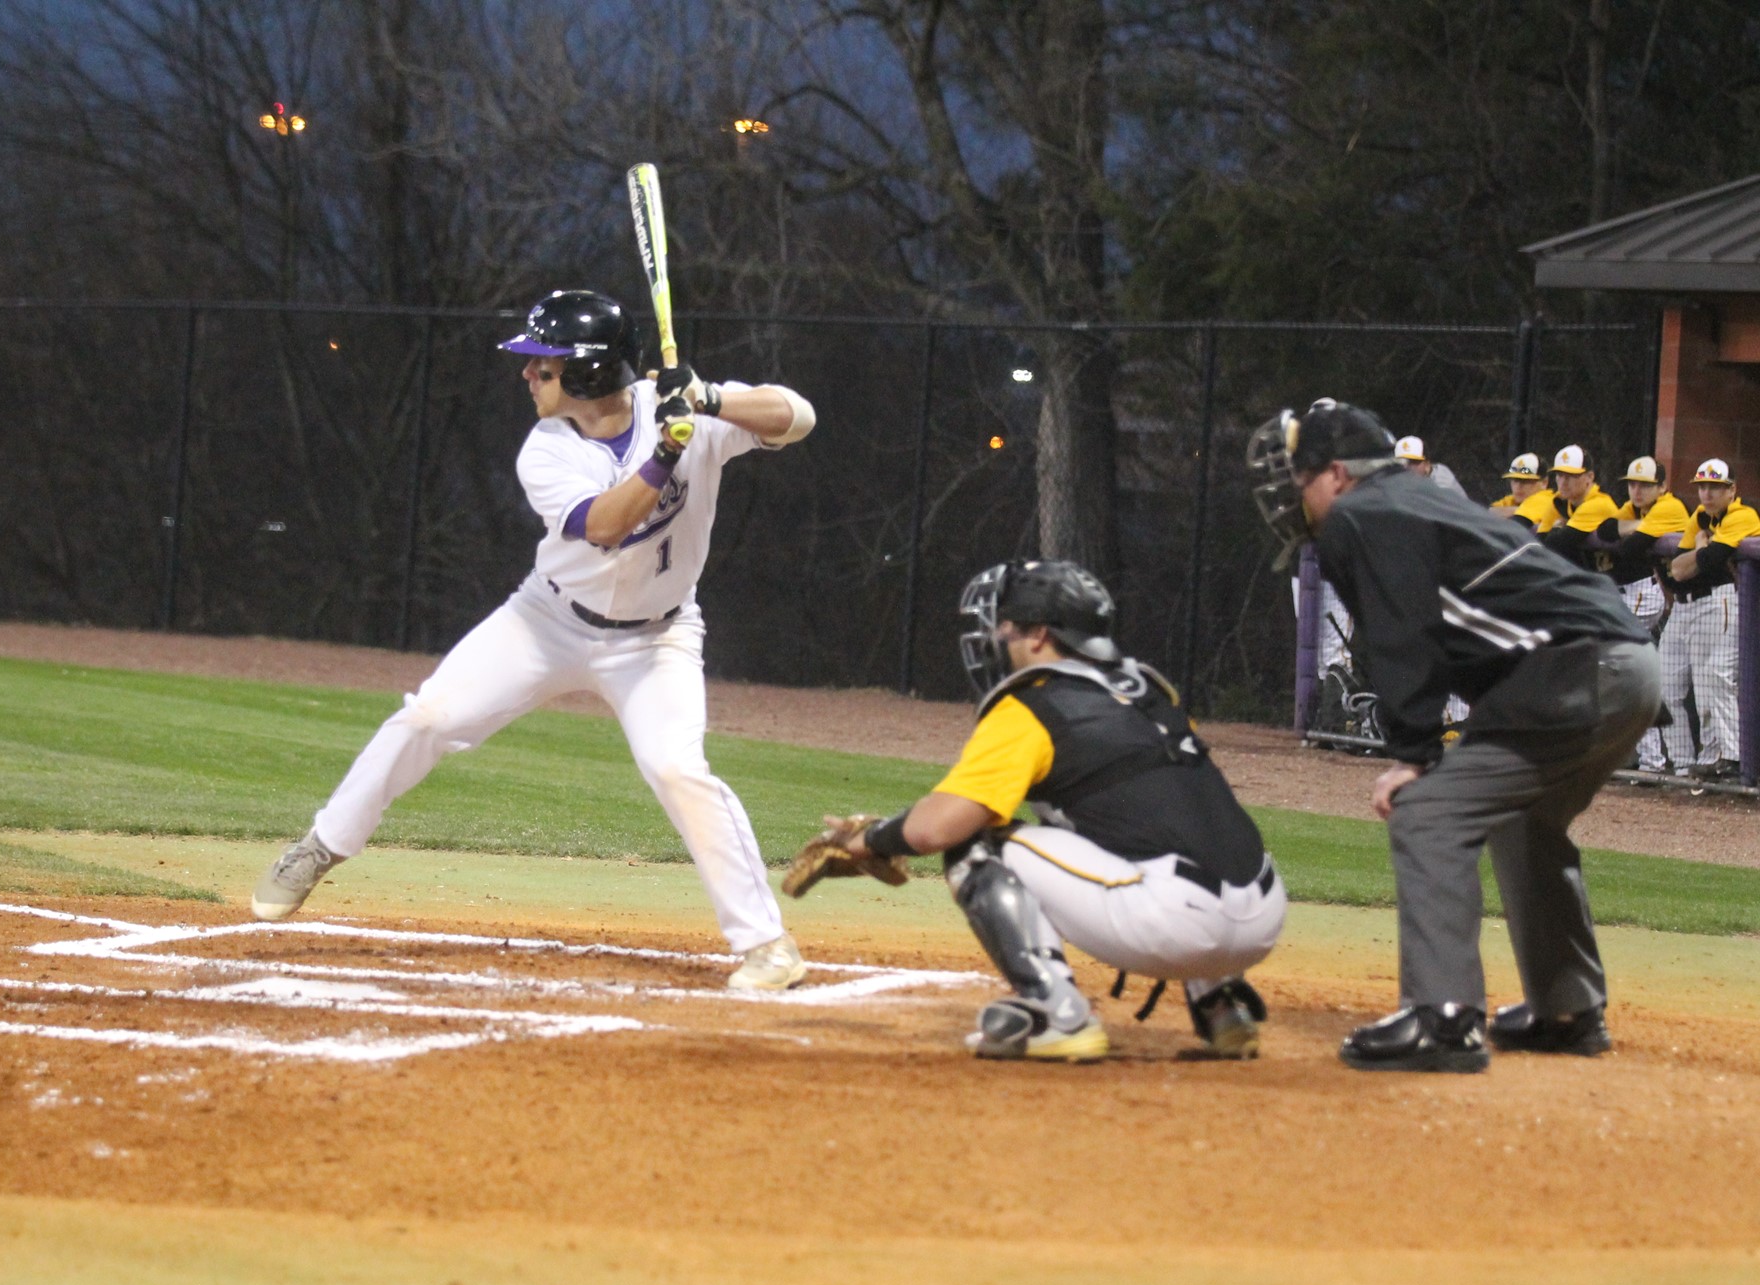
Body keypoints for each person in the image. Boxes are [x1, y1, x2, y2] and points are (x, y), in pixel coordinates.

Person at [250, 289, 820, 990]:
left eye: (542, 365)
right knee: (431, 715)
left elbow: (799, 418)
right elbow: (607, 524)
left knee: (677, 767)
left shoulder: (682, 407)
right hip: (545, 621)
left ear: (584, 374)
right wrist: (669, 448)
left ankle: (767, 945)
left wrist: (707, 400)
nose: (528, 375)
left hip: (657, 638)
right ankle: (321, 845)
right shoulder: (546, 449)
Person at [1247, 401, 1658, 1072]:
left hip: (1576, 670)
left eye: (1302, 474)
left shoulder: (1362, 514)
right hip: (1622, 664)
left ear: (1341, 475)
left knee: (1431, 812)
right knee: (1524, 821)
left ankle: (1443, 1016)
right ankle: (1567, 1006)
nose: (1292, 490)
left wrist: (1413, 755)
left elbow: (1405, 633)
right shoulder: (1414, 500)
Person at [825, 560, 1285, 1063]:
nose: (998, 637)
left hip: (1173, 922)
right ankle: (1224, 1010)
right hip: (1263, 917)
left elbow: (939, 827)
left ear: (1040, 635)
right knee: (1156, 831)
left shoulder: (1030, 706)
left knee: (977, 843)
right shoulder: (1152, 694)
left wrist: (870, 839)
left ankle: (1056, 1012)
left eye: (1007, 626)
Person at [1662, 458, 1759, 783]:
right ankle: (1697, 762)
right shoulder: (1700, 517)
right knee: (1688, 684)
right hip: (1709, 603)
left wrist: (1699, 554)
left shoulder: (1743, 514)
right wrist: (1698, 553)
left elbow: (1712, 558)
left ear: (1732, 490)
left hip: (1736, 602)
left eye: (1715, 488)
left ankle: (1730, 759)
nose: (1707, 493)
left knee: (1717, 676)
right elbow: (1676, 573)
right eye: (1702, 487)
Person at [1597, 457, 1689, 774]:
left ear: (1662, 487)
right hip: (1673, 599)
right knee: (1633, 673)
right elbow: (1605, 529)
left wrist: (1632, 530)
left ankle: (1653, 760)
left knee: (1627, 668)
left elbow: (1629, 548)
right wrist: (1634, 524)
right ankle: (1659, 760)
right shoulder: (1638, 510)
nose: (1636, 490)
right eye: (1632, 484)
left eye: (1645, 485)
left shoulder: (1669, 507)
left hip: (1655, 594)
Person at [1536, 445, 1622, 572]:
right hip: (1602, 581)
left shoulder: (1599, 504)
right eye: (1559, 475)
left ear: (1590, 477)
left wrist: (1557, 528)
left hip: (1633, 583)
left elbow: (1556, 544)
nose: (1563, 482)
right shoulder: (1559, 501)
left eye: (1571, 476)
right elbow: (1539, 544)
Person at [1394, 435, 1468, 498]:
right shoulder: (1416, 478)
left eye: (1414, 462)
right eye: (1402, 462)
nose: (1407, 467)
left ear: (1427, 464)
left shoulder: (1441, 486)